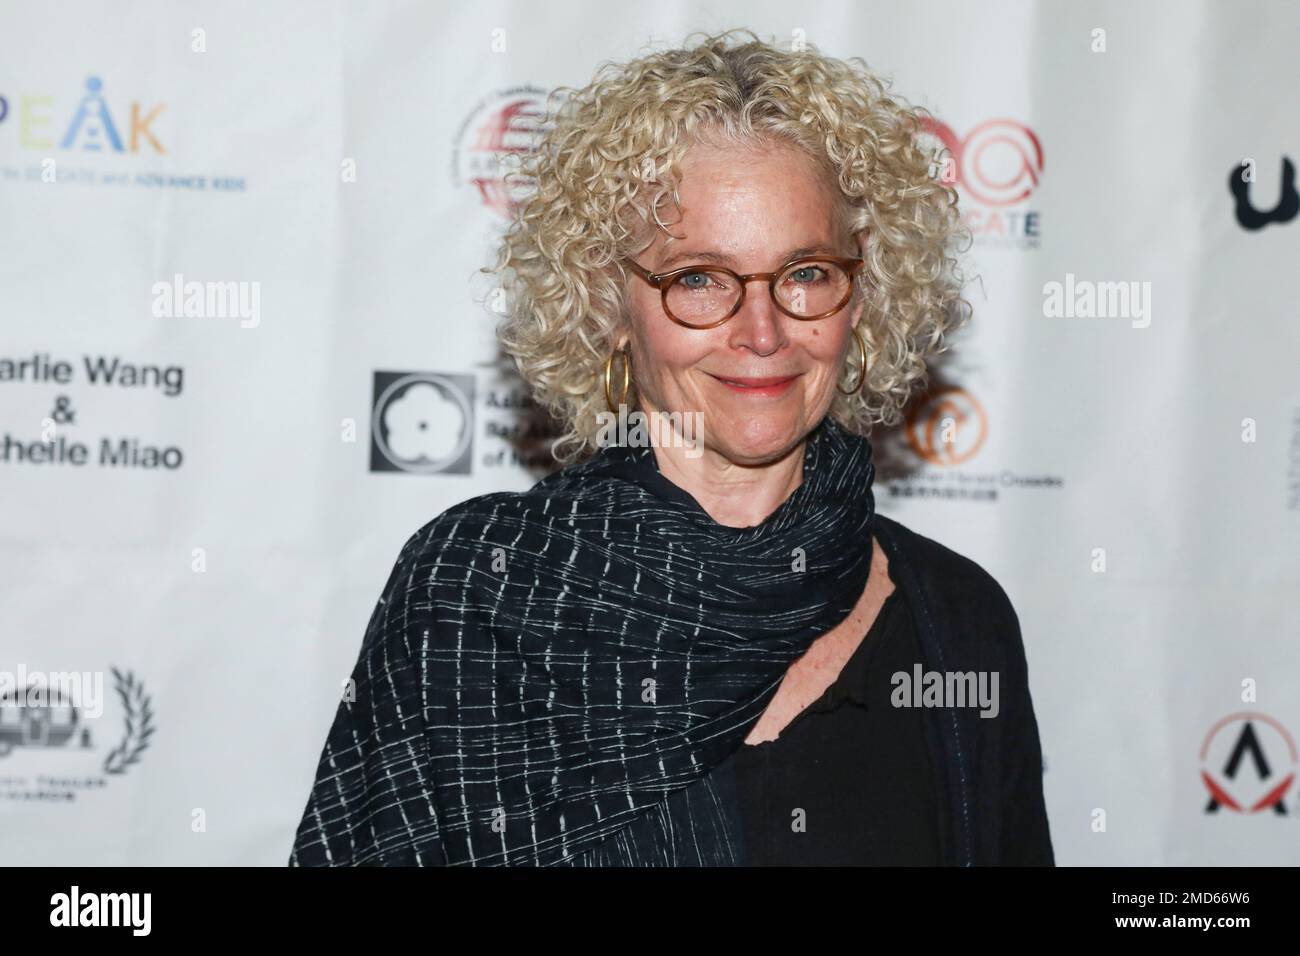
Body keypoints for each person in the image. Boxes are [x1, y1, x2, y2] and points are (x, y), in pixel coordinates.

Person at [289, 27, 1053, 867]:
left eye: (805, 273)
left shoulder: (958, 624)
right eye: (698, 279)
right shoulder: (475, 599)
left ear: (861, 297)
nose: (762, 333)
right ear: (608, 304)